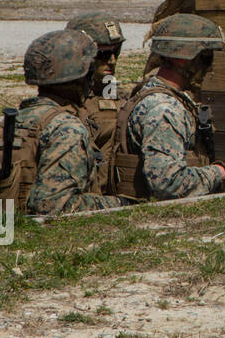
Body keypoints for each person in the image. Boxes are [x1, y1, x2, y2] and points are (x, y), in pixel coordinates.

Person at [10, 29, 134, 214]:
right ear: (77, 79)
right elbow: (54, 206)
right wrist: (119, 204)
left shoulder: (19, 120)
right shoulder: (68, 128)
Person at [113, 14, 225, 199]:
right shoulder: (164, 110)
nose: (210, 68)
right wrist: (217, 172)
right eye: (206, 58)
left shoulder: (155, 93)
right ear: (183, 60)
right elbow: (168, 184)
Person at [66, 11, 125, 193]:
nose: (112, 61)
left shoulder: (113, 93)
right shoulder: (67, 103)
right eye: (103, 54)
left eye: (116, 52)